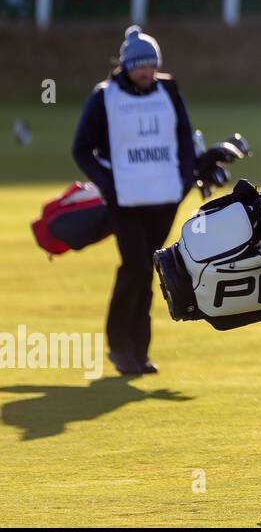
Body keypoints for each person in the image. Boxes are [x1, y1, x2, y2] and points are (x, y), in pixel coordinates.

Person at [72, 26, 195, 377]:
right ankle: (120, 346)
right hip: (124, 203)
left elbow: (184, 136)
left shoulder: (167, 89)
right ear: (126, 66)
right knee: (135, 267)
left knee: (148, 269)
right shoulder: (104, 96)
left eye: (151, 65)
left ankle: (139, 351)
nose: (147, 72)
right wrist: (110, 185)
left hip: (164, 198)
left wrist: (184, 178)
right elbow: (81, 148)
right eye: (140, 65)